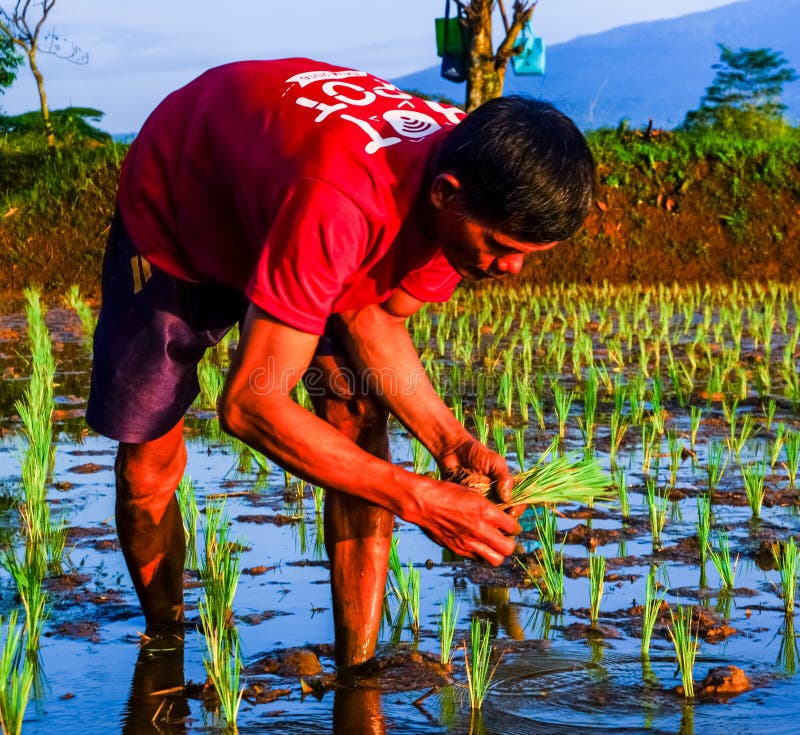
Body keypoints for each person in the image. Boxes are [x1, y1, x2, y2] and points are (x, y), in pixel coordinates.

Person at [86, 57, 595, 668]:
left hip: (300, 210)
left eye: (527, 255)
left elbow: (371, 319)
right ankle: (164, 645)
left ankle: (359, 673)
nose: (510, 270)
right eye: (502, 248)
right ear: (445, 196)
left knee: (357, 415)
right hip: (186, 205)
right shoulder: (346, 200)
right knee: (149, 464)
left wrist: (450, 443)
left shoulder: (468, 186)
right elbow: (251, 405)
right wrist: (419, 499)